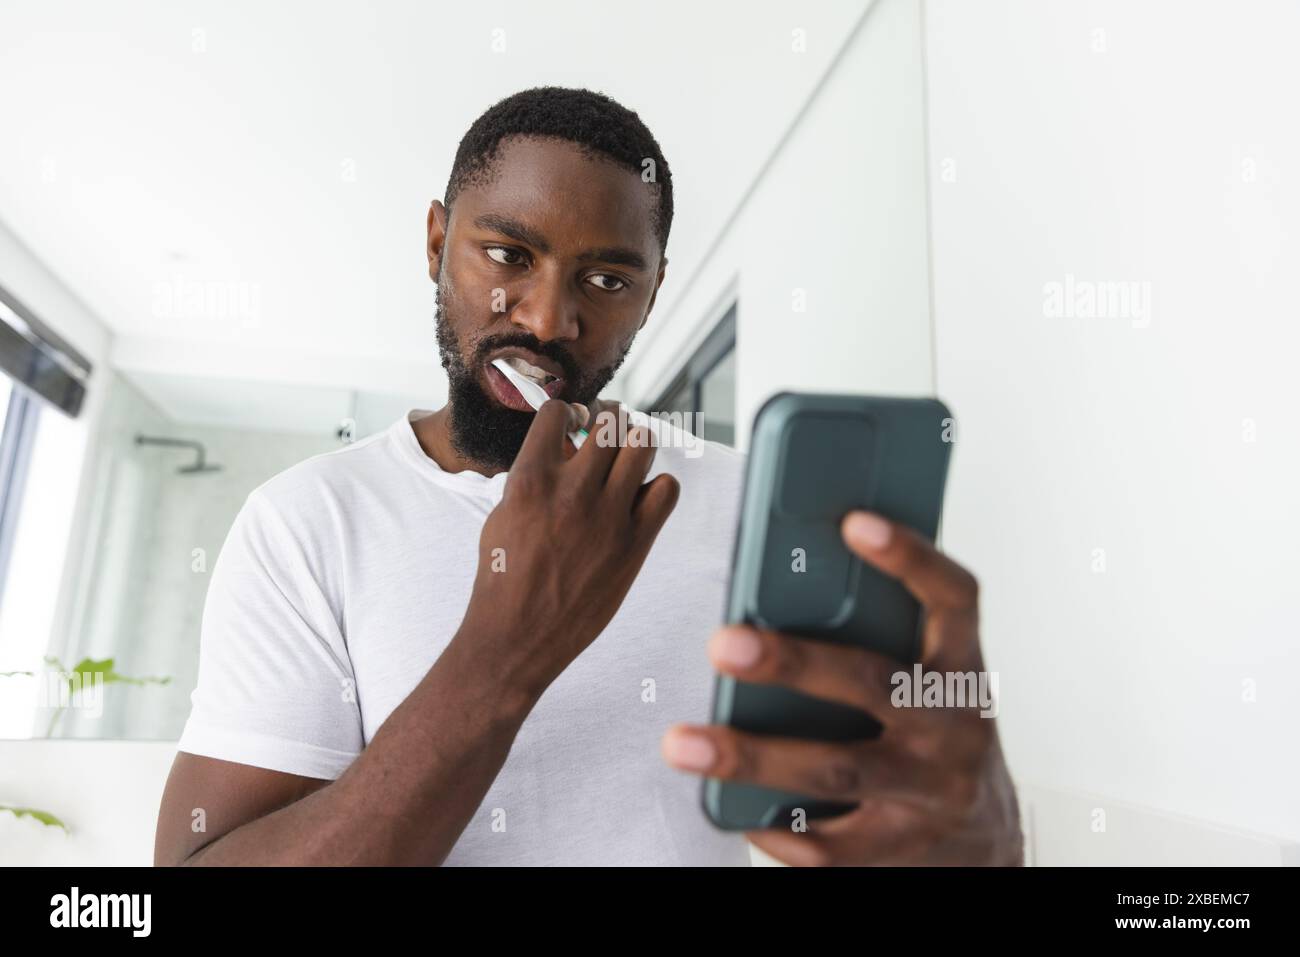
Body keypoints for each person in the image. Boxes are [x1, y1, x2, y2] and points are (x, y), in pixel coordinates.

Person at [154, 86, 1022, 866]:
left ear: (650, 297)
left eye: (607, 279)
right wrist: (504, 651)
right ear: (435, 240)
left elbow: (859, 814)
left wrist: (979, 852)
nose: (547, 318)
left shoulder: (748, 512)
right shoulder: (306, 523)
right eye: (506, 256)